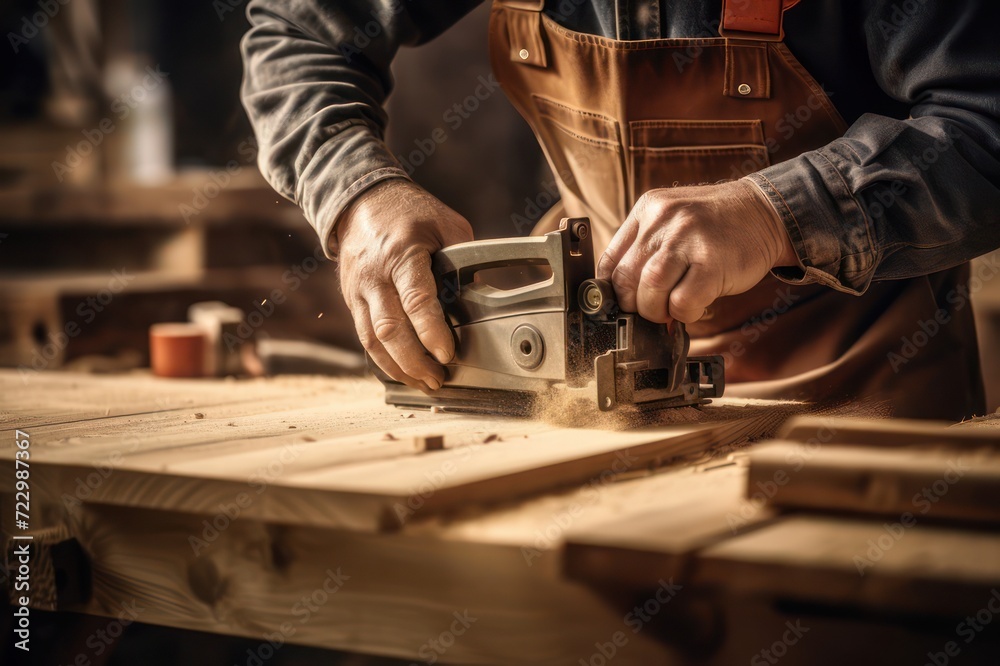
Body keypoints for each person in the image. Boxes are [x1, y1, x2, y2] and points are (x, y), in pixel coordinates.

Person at [240, 0, 1000, 420]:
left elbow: (984, 122)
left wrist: (775, 213)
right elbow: (297, 27)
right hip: (581, 401)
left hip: (860, 391)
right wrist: (357, 193)